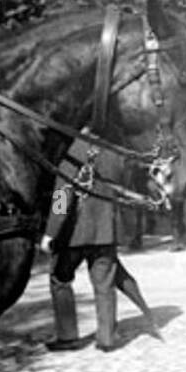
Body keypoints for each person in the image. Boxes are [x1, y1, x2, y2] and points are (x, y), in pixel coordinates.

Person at [45, 132, 158, 352]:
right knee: (104, 284)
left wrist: (51, 232)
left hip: (73, 234)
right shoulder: (117, 152)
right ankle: (106, 338)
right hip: (106, 231)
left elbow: (62, 194)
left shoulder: (72, 149)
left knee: (60, 280)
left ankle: (68, 336)